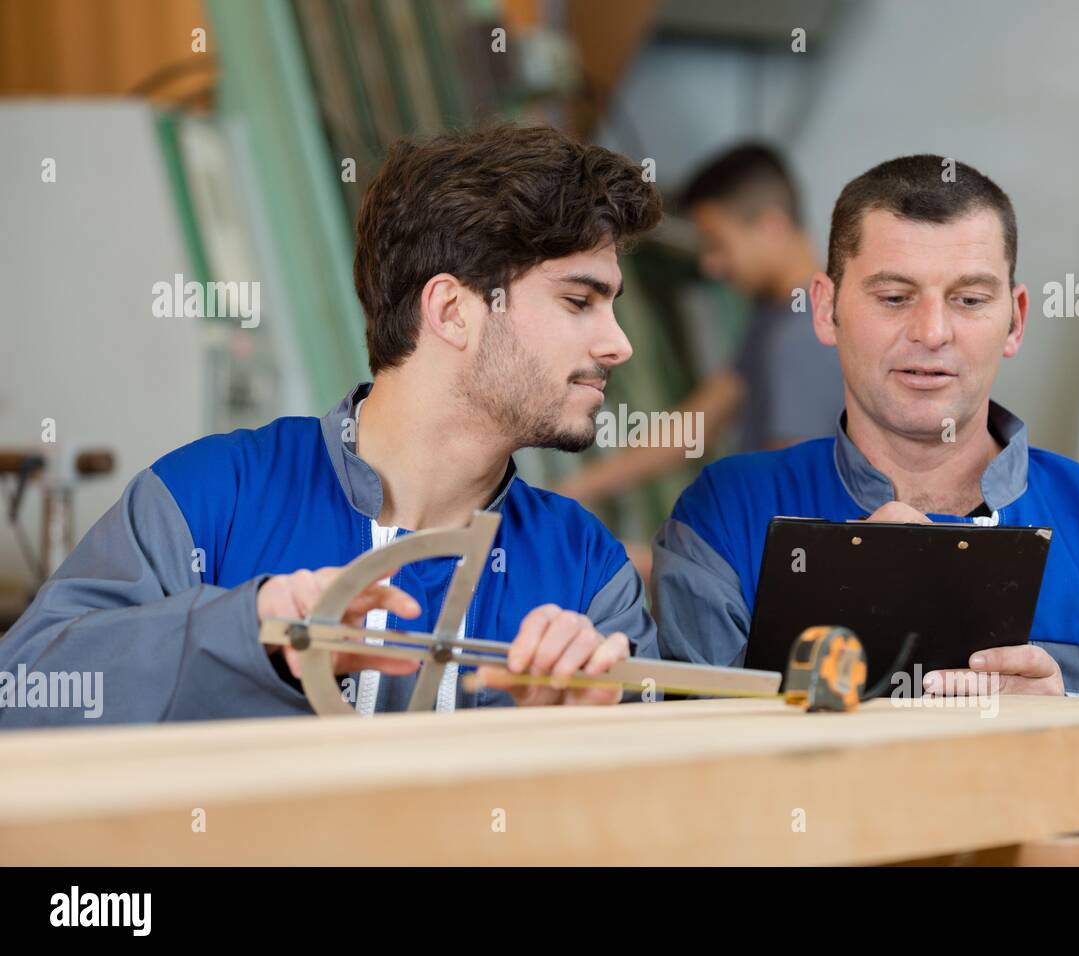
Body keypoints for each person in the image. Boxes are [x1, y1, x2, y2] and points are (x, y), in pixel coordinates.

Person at [652, 154, 1079, 841]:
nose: (933, 332)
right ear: (825, 309)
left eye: (969, 298)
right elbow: (687, 806)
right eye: (894, 296)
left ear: (1015, 320)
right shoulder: (726, 520)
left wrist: (1069, 743)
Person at [0, 124, 663, 726]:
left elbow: (663, 812)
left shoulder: (586, 571)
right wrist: (246, 630)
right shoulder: (209, 499)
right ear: (452, 311)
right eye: (579, 301)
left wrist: (584, 734)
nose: (618, 344)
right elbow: (21, 696)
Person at [556, 143, 842, 506]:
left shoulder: (804, 335)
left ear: (771, 226)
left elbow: (788, 499)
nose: (711, 265)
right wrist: (571, 491)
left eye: (717, 244)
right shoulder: (774, 316)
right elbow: (697, 423)